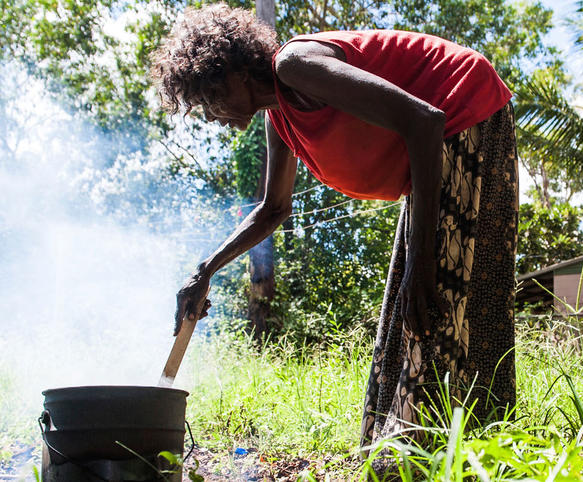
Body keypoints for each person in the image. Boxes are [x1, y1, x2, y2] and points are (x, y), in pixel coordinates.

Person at [151, 3, 518, 454]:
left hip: (466, 113)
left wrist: (420, 263)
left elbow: (424, 121)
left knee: (433, 298)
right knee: (415, 306)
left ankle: (445, 453)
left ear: (232, 73)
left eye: (208, 98)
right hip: (429, 163)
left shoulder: (296, 65)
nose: (210, 115)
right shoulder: (280, 117)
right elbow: (272, 208)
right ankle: (415, 450)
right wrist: (206, 269)